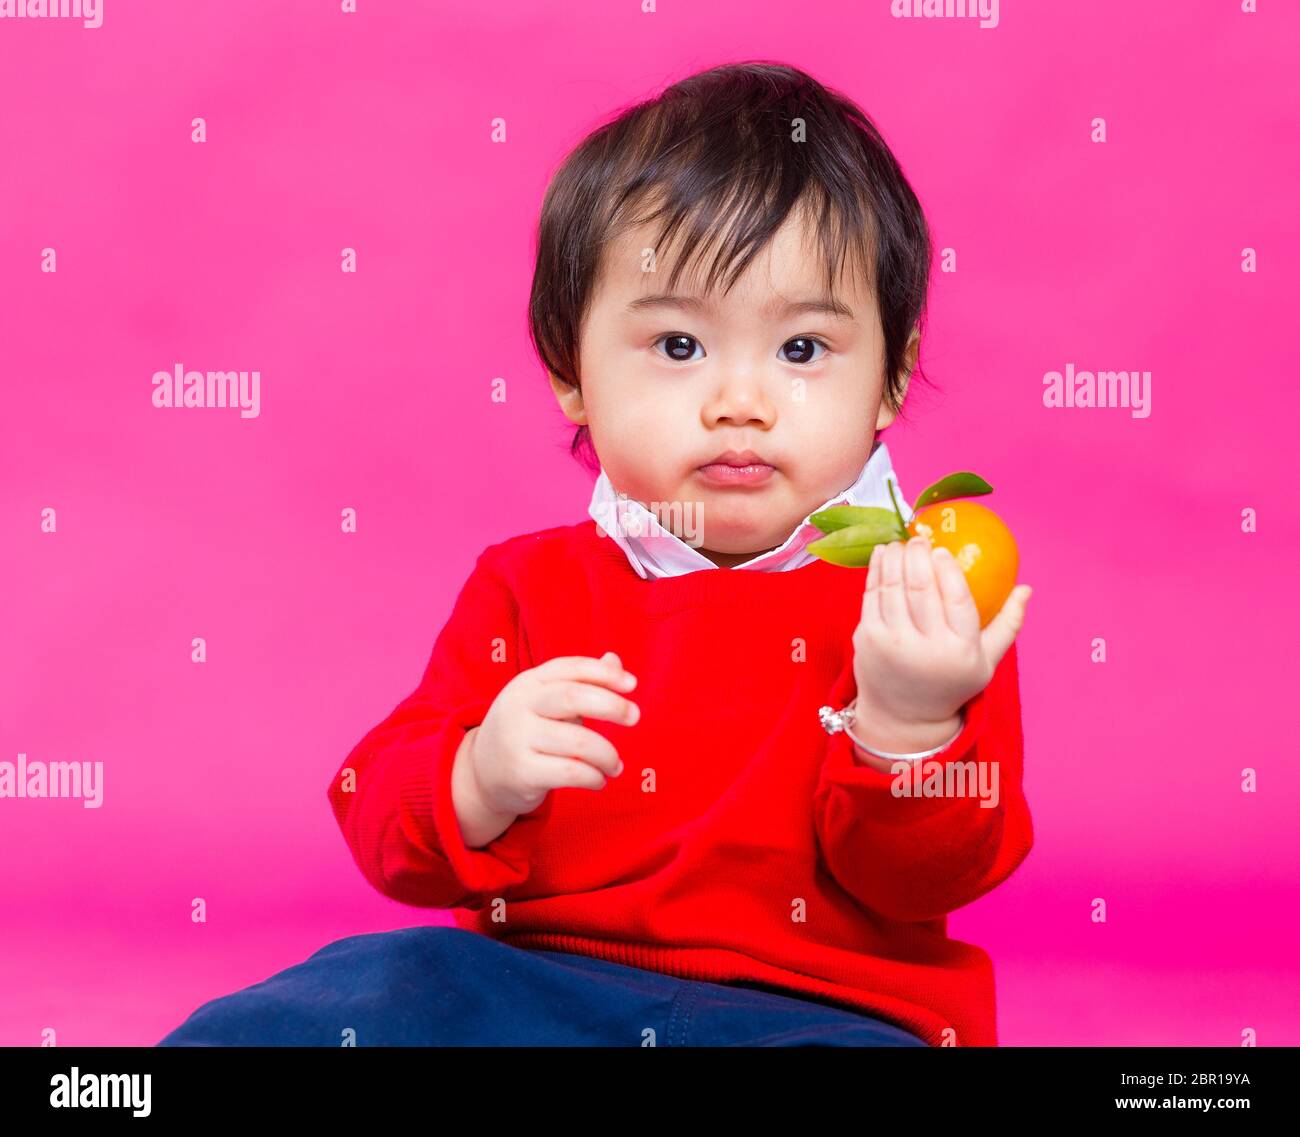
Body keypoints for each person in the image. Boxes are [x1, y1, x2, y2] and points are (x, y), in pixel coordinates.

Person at [158, 59, 1033, 1049]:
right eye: (675, 346)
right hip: (536, 991)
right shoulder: (525, 586)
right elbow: (383, 822)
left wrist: (909, 721)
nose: (737, 401)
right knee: (341, 998)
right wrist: (476, 777)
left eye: (800, 351)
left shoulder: (921, 595)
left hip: (813, 1012)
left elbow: (930, 876)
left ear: (890, 377)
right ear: (571, 371)